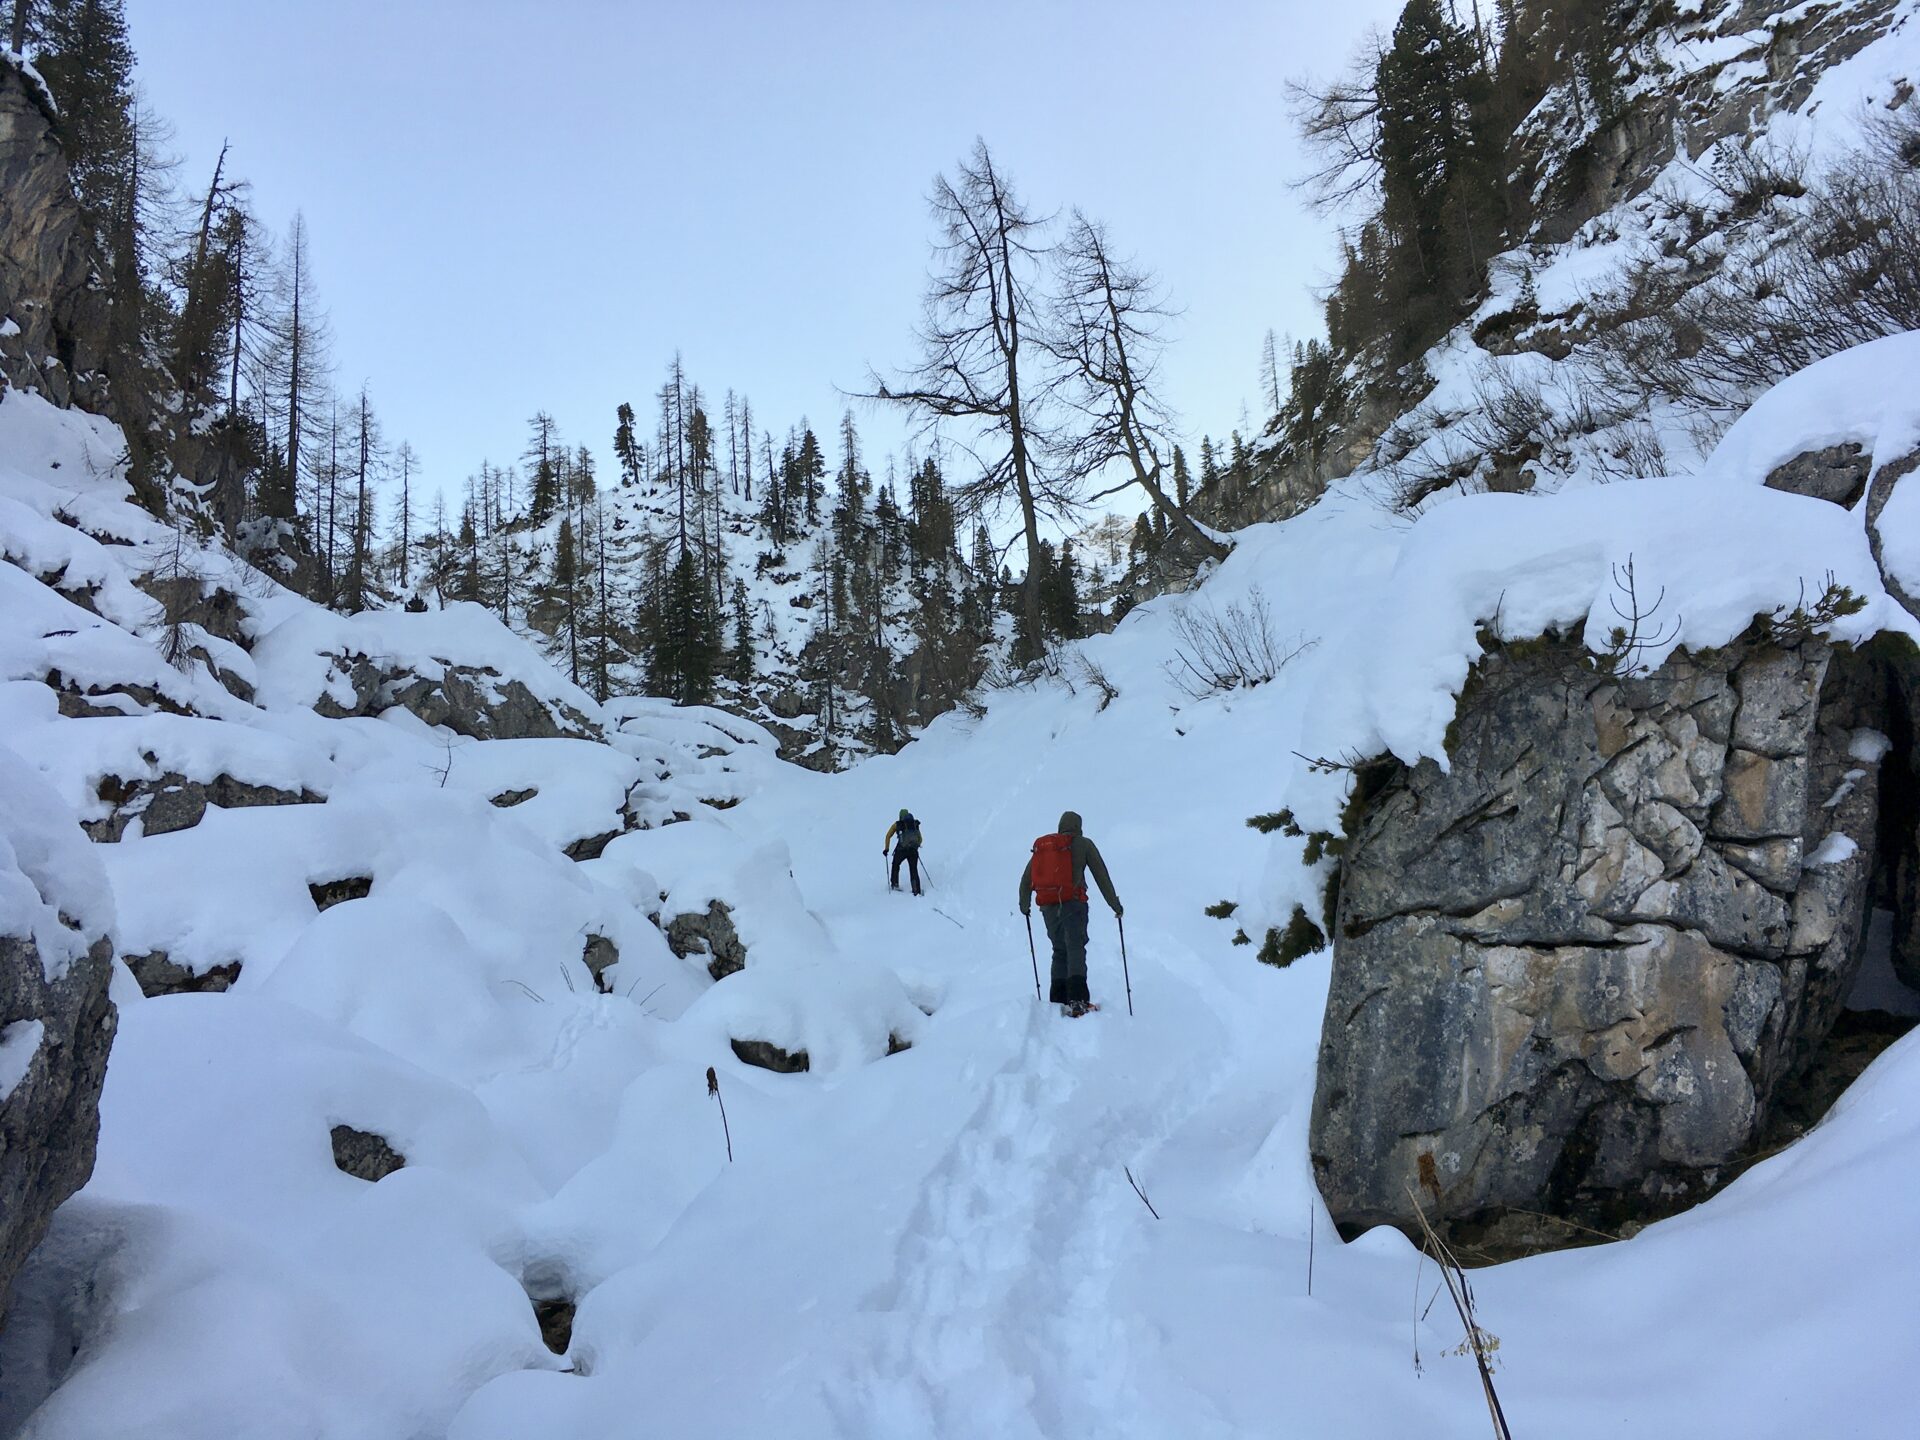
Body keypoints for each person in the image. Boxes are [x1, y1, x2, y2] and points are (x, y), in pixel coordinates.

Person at [1019, 810, 1121, 1016]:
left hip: (1048, 907)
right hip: (1073, 905)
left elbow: (1025, 880)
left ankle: (1057, 999)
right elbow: (1101, 875)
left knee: (1059, 950)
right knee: (1075, 947)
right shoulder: (1083, 844)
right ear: (1079, 827)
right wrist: (1115, 905)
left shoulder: (1046, 849)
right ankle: (1078, 1001)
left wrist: (1025, 905)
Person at [884, 808, 924, 896]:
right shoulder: (914, 824)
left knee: (895, 864)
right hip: (913, 851)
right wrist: (915, 846)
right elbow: (920, 839)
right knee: (913, 869)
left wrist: (886, 849)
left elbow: (888, 836)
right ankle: (916, 889)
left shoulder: (897, 824)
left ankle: (895, 884)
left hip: (902, 850)